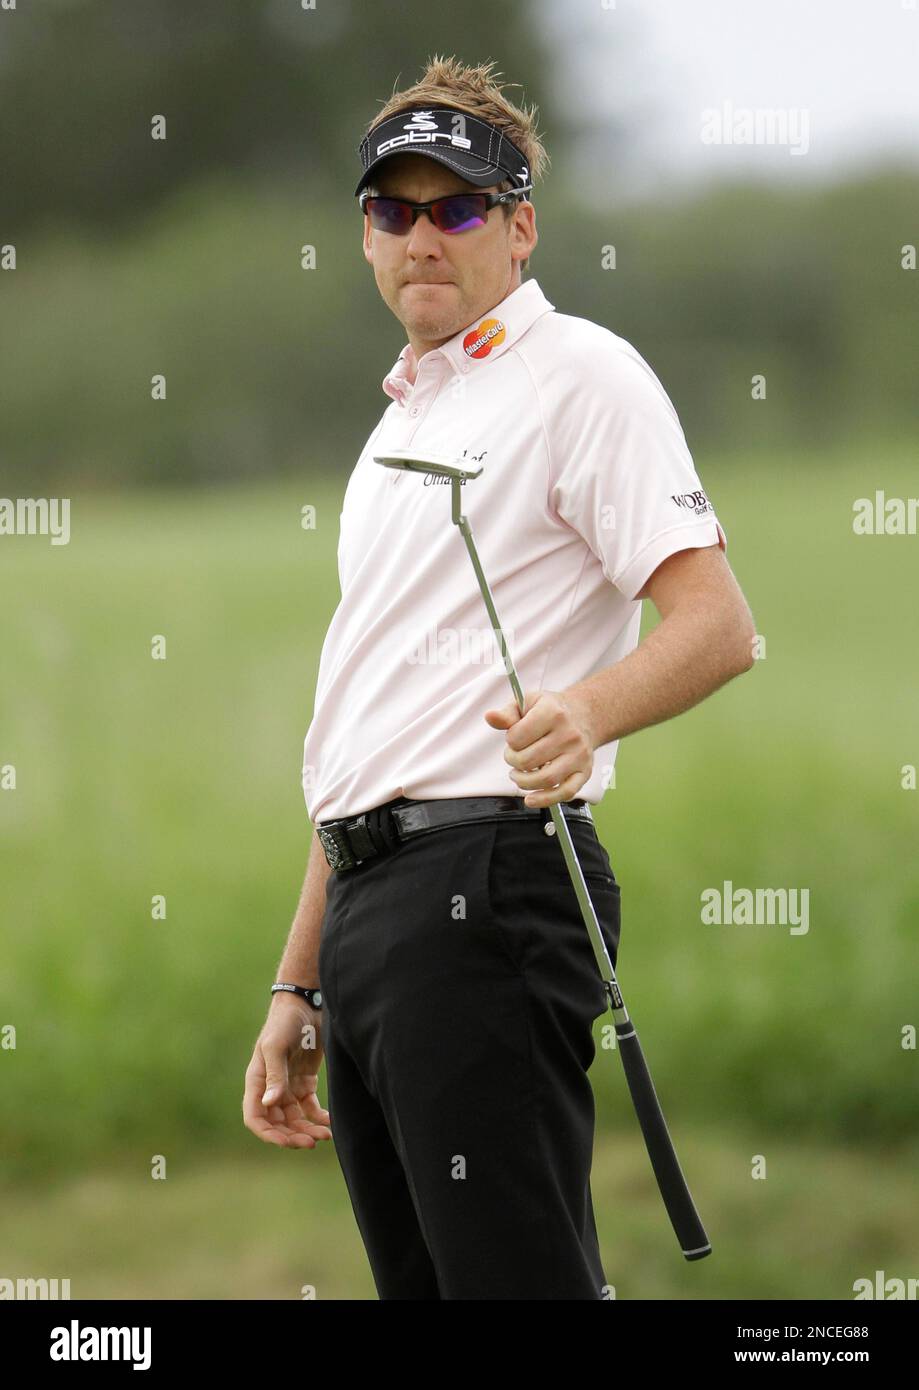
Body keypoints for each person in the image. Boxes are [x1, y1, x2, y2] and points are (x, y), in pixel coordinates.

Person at [243, 56, 756, 1300]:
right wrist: (298, 978)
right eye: (392, 208)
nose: (422, 234)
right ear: (365, 235)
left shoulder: (578, 372)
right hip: (371, 907)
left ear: (519, 227)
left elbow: (716, 624)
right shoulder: (399, 426)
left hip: (488, 881)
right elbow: (367, 734)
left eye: (456, 206)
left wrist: (586, 708)